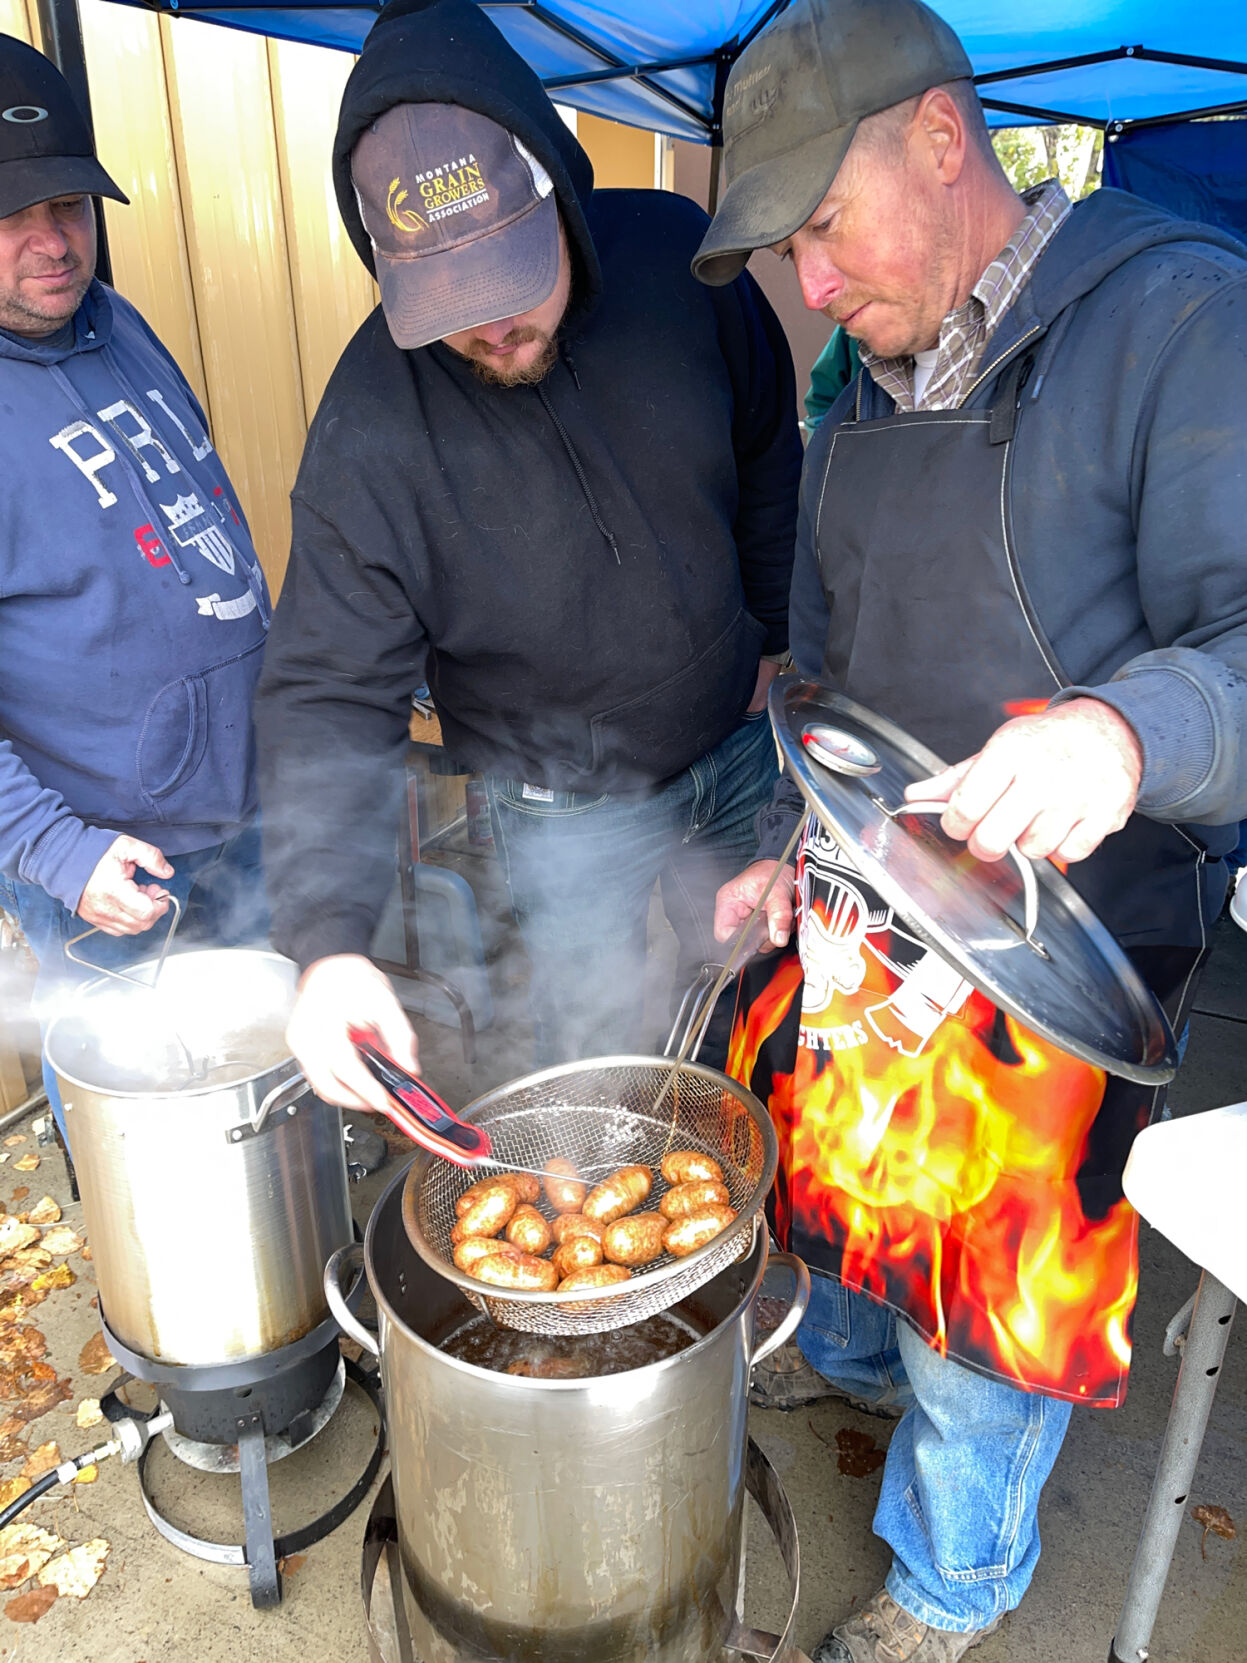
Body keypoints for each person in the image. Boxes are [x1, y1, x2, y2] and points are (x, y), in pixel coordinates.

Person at [694, 1, 1247, 1659]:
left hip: (1071, 947)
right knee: (842, 1191)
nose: (812, 278)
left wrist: (1125, 724)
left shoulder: (1178, 321)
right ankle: (857, 1366)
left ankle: (952, 1579)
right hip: (884, 904)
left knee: (984, 1304)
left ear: (941, 140)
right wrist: (803, 837)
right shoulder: (852, 376)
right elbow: (832, 664)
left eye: (820, 226)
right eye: (784, 248)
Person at [254, 0, 801, 1112]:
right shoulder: (370, 426)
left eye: (512, 284)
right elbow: (323, 693)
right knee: (591, 1053)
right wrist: (324, 941)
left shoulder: (675, 261)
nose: (494, 331)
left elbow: (764, 454)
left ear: (557, 190)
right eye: (452, 308)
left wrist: (775, 640)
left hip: (736, 740)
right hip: (559, 808)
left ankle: (763, 1204)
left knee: (766, 1000)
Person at [0, 36, 270, 1131]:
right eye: (11, 213)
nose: (52, 241)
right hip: (105, 861)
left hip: (240, 818)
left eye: (68, 202)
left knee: (253, 1108)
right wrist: (56, 853)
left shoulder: (122, 326)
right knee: (147, 1149)